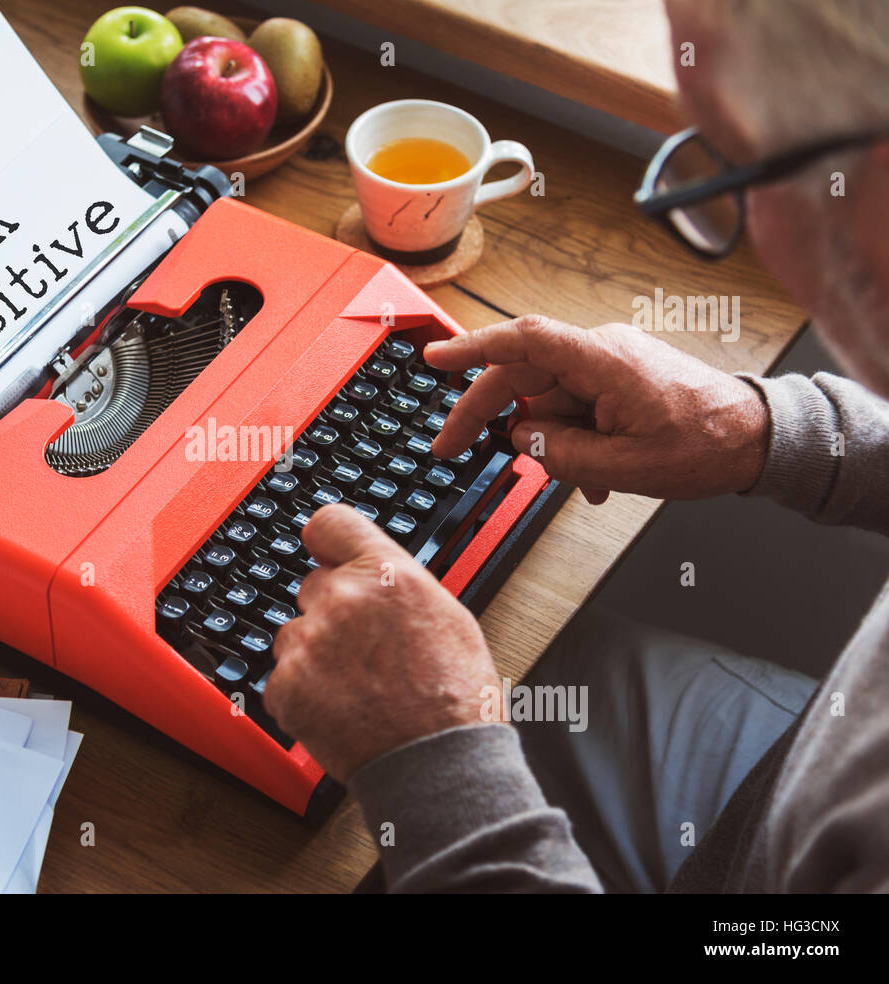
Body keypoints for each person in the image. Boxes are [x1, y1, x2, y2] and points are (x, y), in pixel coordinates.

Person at [262, 0, 889, 892]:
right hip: (801, 764)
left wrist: (436, 758)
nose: (757, 233)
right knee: (569, 660)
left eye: (734, 165)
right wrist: (764, 428)